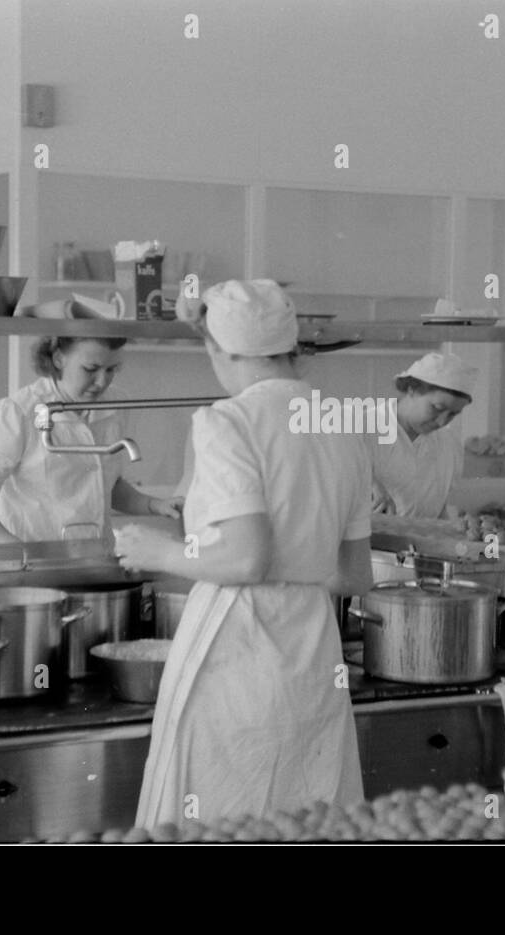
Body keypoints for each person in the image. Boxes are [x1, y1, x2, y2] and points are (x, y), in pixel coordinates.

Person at [115, 279, 374, 828]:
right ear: (289, 348)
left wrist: (158, 551)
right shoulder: (343, 426)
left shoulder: (226, 421)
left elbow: (244, 560)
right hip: (312, 648)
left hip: (239, 646)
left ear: (220, 349)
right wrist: (297, 572)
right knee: (307, 815)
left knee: (220, 810)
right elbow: (354, 574)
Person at [0, 336, 182, 544]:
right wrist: (17, 552)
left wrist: (154, 505)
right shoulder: (16, 413)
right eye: (90, 369)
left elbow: (104, 485)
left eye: (112, 369)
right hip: (28, 564)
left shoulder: (116, 406)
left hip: (92, 561)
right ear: (58, 359)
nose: (102, 381)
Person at [371, 352, 479, 517]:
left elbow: (441, 512)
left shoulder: (448, 445)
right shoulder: (358, 431)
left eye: (453, 414)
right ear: (412, 389)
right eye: (437, 408)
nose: (442, 422)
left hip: (422, 542)